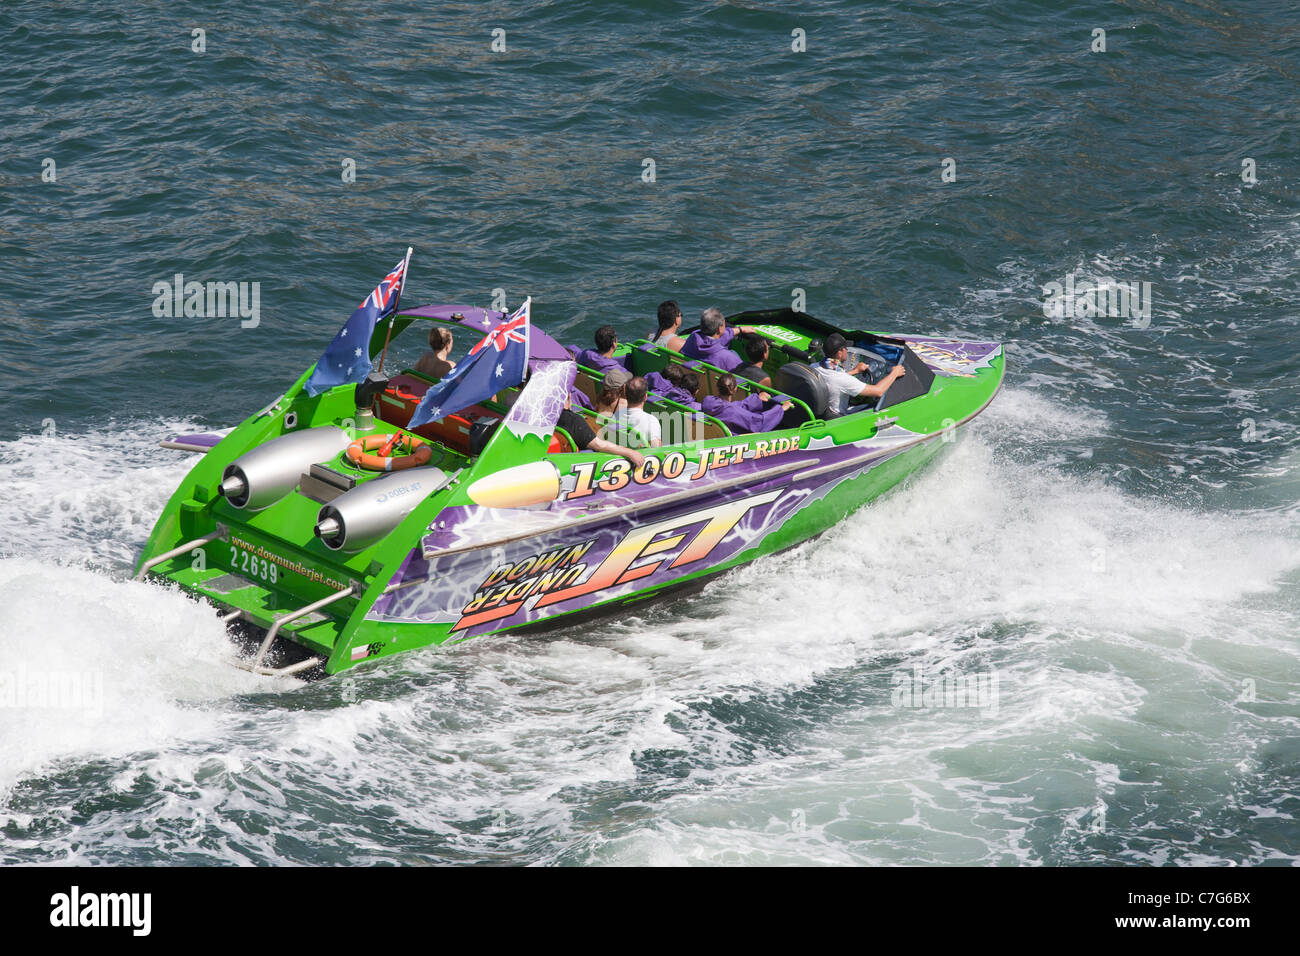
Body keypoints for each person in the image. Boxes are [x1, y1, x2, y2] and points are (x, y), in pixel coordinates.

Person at [814, 333, 906, 416]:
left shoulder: (814, 366)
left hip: (821, 411)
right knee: (875, 405)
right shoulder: (843, 379)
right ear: (839, 353)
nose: (847, 350)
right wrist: (894, 373)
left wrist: (855, 371)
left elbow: (833, 379)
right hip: (837, 417)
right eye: (845, 348)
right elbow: (879, 391)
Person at [555, 400, 645, 467]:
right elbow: (598, 445)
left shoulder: (545, 417)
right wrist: (630, 452)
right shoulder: (571, 420)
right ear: (568, 397)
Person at [701, 374, 790, 434]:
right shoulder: (732, 411)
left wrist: (757, 399)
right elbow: (758, 423)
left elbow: (735, 406)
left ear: (717, 386)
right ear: (735, 389)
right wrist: (780, 409)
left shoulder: (707, 402)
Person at [681, 307, 757, 372]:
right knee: (734, 353)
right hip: (719, 387)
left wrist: (739, 329)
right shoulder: (728, 358)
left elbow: (715, 339)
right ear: (719, 329)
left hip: (697, 380)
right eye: (724, 324)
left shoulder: (693, 338)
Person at [598, 376, 661, 448]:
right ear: (645, 397)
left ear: (625, 395)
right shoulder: (651, 420)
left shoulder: (615, 417)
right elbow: (657, 449)